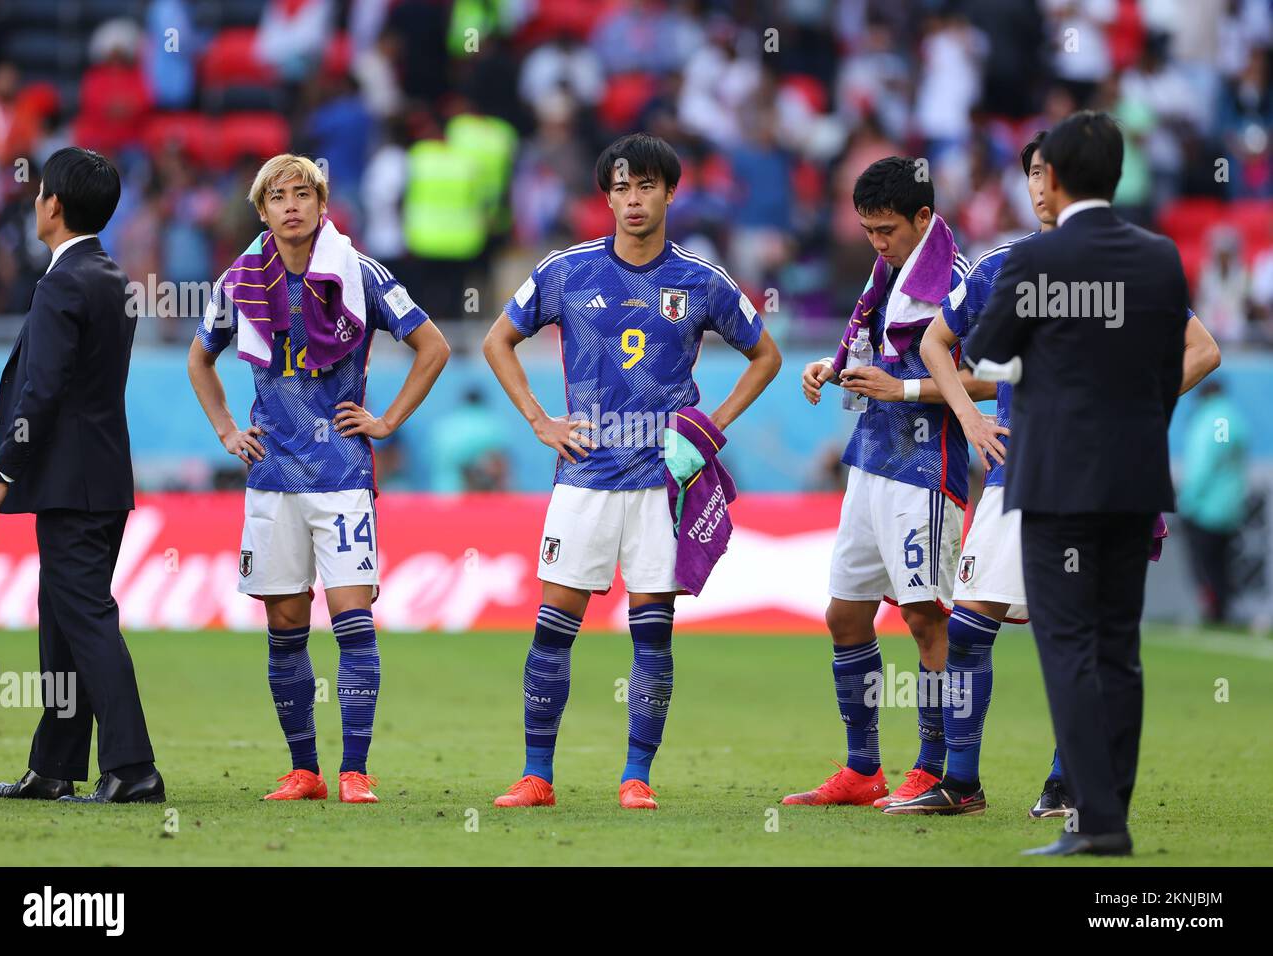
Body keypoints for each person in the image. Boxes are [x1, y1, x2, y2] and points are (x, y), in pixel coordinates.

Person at [896, 132, 1221, 819]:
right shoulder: (1005, 263)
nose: (1039, 187)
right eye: (1033, 174)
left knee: (1073, 635)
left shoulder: (1126, 260)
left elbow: (1204, 348)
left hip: (1093, 475)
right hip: (1022, 471)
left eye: (1049, 173)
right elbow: (935, 341)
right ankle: (963, 782)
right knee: (970, 628)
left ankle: (1064, 782)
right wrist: (971, 417)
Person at [482, 133, 780, 810]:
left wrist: (710, 428)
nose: (633, 200)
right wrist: (540, 421)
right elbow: (497, 339)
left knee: (652, 632)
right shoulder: (566, 271)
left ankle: (636, 777)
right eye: (620, 188)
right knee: (553, 627)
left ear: (671, 192)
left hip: (660, 486)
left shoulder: (701, 280)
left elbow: (766, 355)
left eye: (646, 186)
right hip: (584, 479)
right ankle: (536, 775)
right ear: (606, 196)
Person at [187, 154, 449, 804]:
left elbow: (434, 345)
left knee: (353, 618)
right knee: (284, 620)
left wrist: (386, 420)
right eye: (279, 196)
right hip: (271, 476)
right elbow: (201, 357)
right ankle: (304, 770)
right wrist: (225, 429)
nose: (292, 205)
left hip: (341, 475)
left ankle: (355, 769)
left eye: (303, 193)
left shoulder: (359, 273)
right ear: (263, 211)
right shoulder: (239, 280)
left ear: (322, 204)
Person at [963, 111, 1190, 856]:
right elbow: (1165, 372)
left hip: (1057, 481)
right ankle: (1109, 816)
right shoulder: (1160, 260)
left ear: (1051, 177)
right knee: (1119, 650)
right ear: (1119, 176)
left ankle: (1092, 823)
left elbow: (989, 354)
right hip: (1135, 480)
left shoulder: (1035, 262)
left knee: (1066, 649)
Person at [785, 157, 990, 809]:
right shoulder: (887, 274)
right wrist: (832, 364)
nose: (877, 242)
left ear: (923, 219)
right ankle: (863, 768)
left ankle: (936, 769)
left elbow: (990, 377)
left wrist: (903, 388)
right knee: (845, 614)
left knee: (927, 617)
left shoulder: (957, 280)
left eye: (887, 229)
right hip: (872, 457)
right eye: (868, 230)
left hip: (926, 469)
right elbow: (878, 354)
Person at [0, 147, 163, 804]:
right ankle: (54, 765)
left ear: (52, 205)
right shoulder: (112, 276)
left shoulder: (62, 282)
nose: (34, 204)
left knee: (83, 619)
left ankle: (134, 766)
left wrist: (1, 471)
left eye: (38, 196)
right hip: (101, 479)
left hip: (70, 481)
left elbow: (43, 390)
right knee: (61, 618)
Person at [1178, 379, 1248, 625]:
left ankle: (1215, 611)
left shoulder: (1210, 420)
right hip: (1231, 506)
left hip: (1206, 507)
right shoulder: (1234, 419)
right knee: (1222, 564)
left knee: (1204, 565)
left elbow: (1204, 464)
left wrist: (1188, 499)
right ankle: (1223, 610)